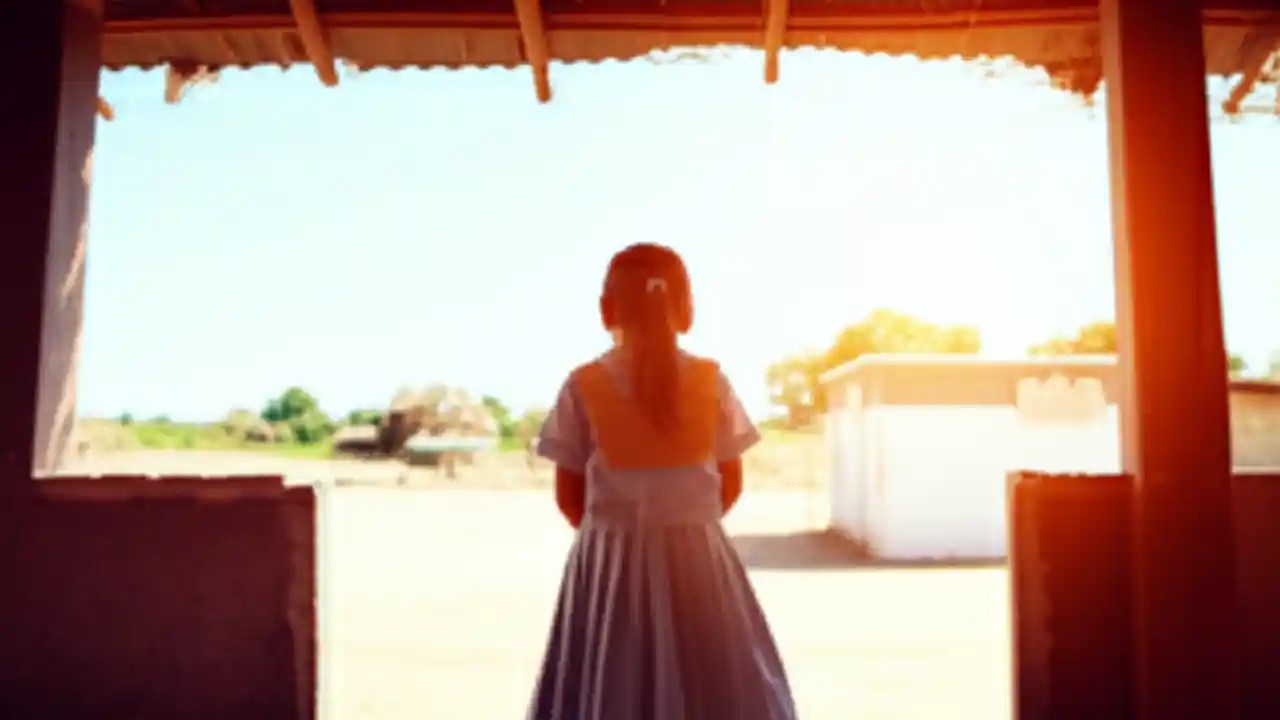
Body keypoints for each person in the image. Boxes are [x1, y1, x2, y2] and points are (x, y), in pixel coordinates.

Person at [527, 243, 797, 719]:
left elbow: (571, 498)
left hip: (610, 563)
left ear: (606, 308)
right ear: (685, 306)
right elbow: (729, 484)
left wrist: (622, 542)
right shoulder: (710, 381)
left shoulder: (583, 384)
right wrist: (684, 531)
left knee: (613, 680)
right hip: (699, 563)